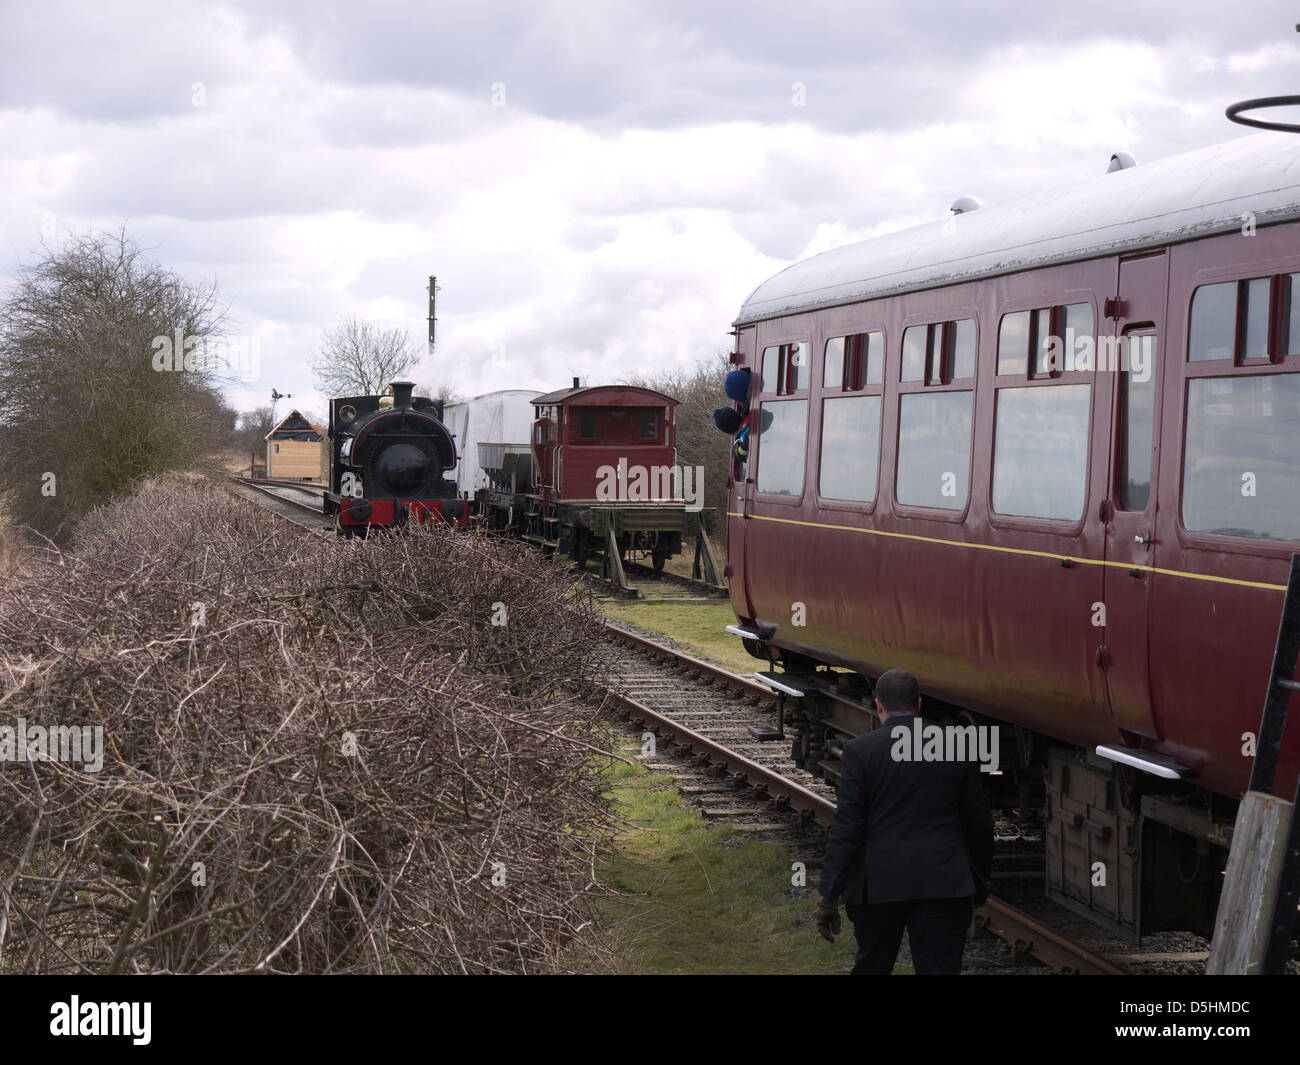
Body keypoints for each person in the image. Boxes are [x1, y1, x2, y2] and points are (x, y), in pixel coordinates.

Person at [814, 668, 993, 974]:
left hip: (879, 886)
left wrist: (829, 895)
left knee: (872, 965)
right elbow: (979, 824)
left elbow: (847, 829)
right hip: (943, 884)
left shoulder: (860, 752)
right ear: (919, 704)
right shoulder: (956, 747)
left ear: (878, 705)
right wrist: (977, 883)